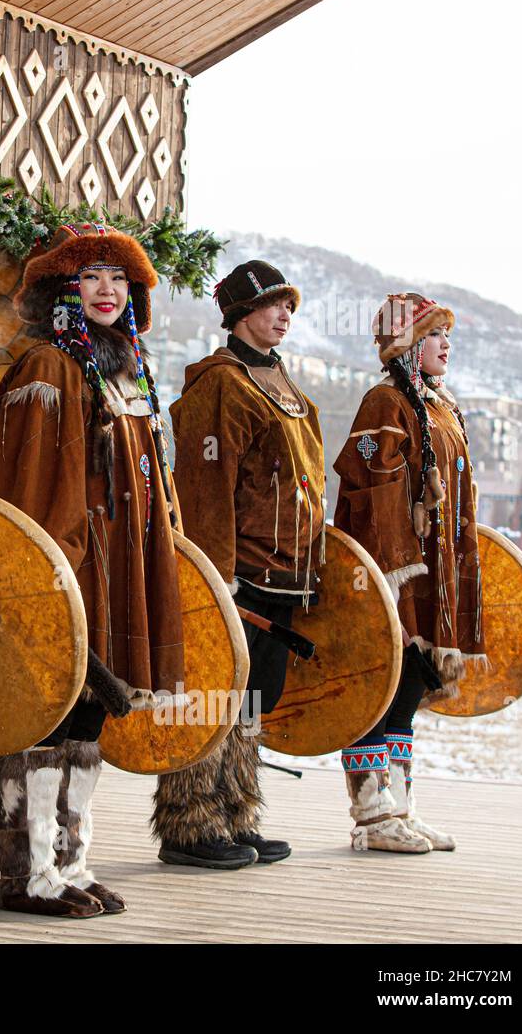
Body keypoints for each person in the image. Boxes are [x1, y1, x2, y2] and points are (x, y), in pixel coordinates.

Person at [0, 223, 186, 916]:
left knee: (91, 717)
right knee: (50, 714)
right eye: (91, 276)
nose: (107, 289)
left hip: (117, 575)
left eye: (119, 278)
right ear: (63, 289)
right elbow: (32, 489)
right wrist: (44, 586)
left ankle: (71, 860)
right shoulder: (47, 365)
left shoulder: (126, 372)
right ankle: (30, 870)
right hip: (66, 575)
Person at [155, 260, 325, 869]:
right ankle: (188, 824)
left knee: (256, 697)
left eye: (290, 307)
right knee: (216, 694)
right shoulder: (221, 383)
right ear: (239, 313)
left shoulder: (281, 380)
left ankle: (235, 813)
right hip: (240, 572)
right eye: (272, 305)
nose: (284, 316)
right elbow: (206, 484)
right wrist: (214, 576)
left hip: (284, 570)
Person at [332, 293, 482, 853]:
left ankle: (400, 805)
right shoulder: (384, 402)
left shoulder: (440, 405)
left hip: (434, 570)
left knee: (410, 686)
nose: (447, 346)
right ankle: (370, 814)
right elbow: (372, 492)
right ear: (409, 345)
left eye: (447, 336)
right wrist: (392, 572)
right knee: (382, 680)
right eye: (436, 335)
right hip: (397, 571)